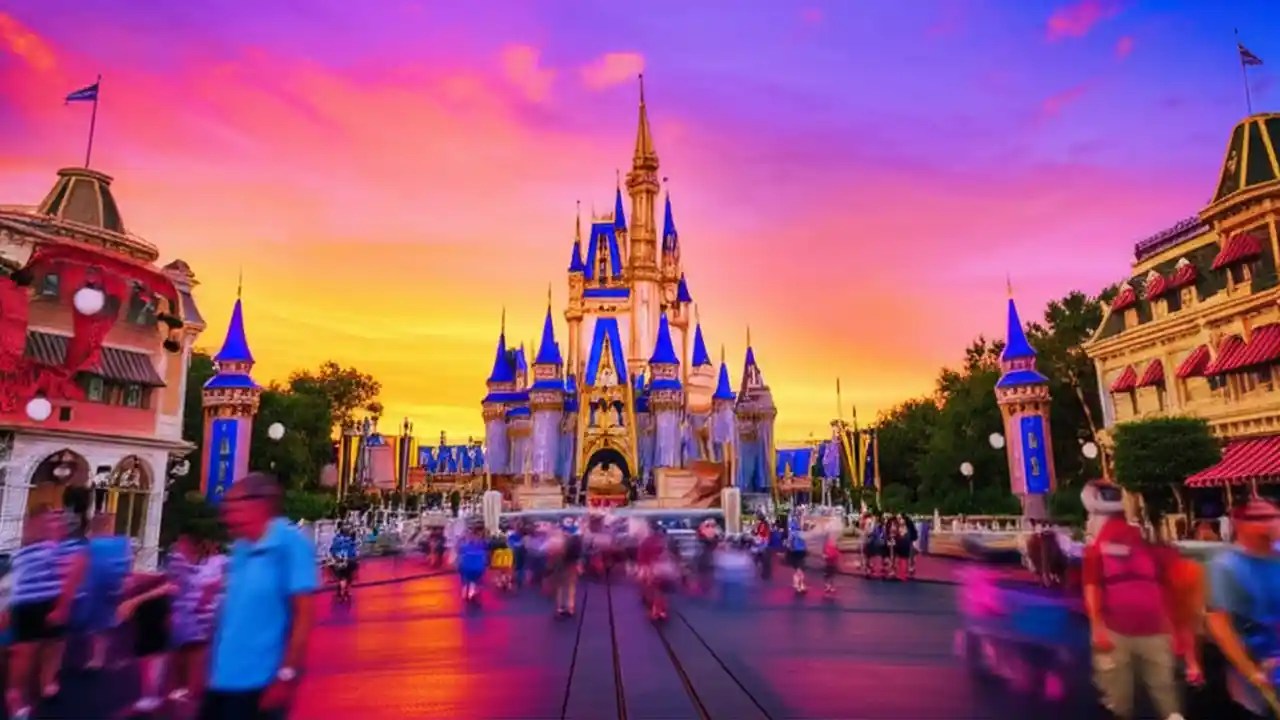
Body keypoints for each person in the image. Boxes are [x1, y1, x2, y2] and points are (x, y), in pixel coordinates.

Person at [200, 472, 317, 720]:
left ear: (259, 504)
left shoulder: (291, 545)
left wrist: (287, 674)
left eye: (233, 507)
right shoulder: (241, 546)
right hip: (222, 680)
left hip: (260, 684)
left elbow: (303, 616)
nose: (227, 516)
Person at [1080, 480, 1183, 720]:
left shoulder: (1103, 545)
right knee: (1162, 696)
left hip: (1132, 631)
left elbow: (1092, 588)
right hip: (1138, 630)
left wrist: (1097, 628)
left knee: (1122, 700)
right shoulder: (1139, 539)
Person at [1207, 498, 1280, 719]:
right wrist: (1251, 672)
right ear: (1239, 524)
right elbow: (1220, 624)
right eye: (1260, 518)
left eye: (1274, 516)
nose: (1270, 523)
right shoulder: (1226, 567)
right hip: (1260, 674)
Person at [70, 511, 131, 672]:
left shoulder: (90, 545)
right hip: (111, 588)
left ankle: (96, 657)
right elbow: (126, 566)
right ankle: (100, 657)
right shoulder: (119, 544)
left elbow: (81, 566)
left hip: (93, 589)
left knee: (96, 626)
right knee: (104, 627)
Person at [328, 526, 359, 602]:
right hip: (348, 561)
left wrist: (336, 559)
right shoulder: (350, 541)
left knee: (341, 577)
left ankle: (341, 593)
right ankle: (345, 591)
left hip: (338, 562)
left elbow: (331, 551)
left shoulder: (336, 540)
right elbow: (354, 553)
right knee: (349, 576)